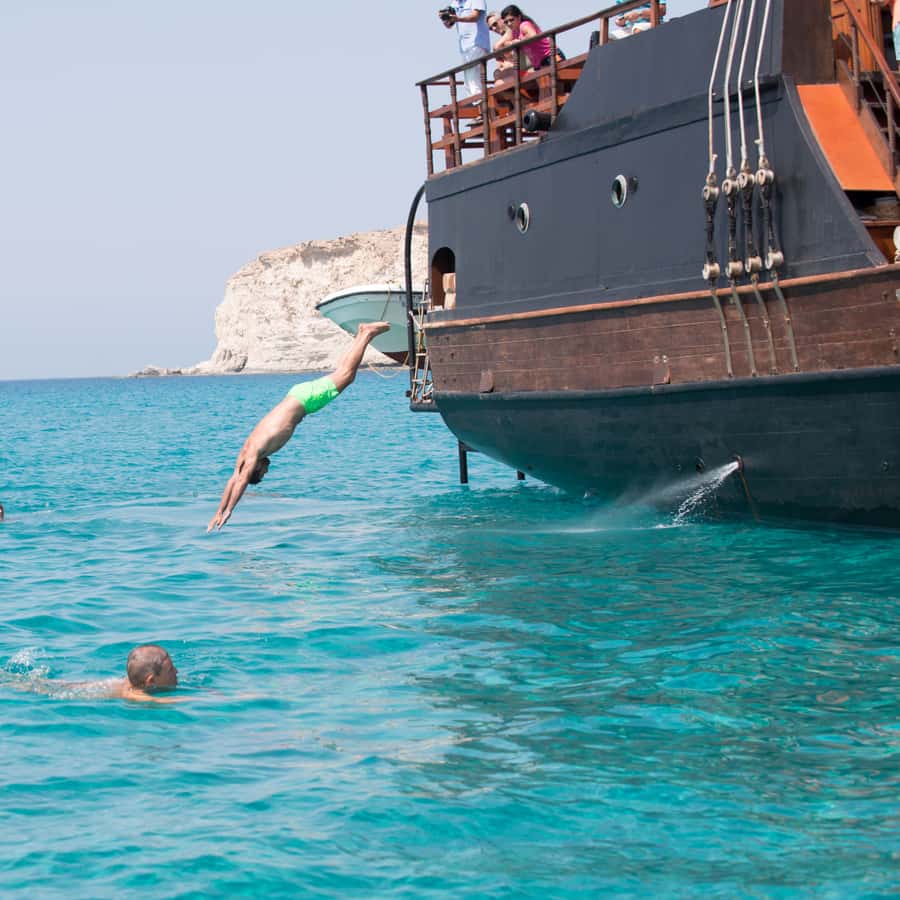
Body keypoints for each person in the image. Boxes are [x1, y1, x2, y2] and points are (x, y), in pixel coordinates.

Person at [207, 321, 390, 531]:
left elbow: (240, 482)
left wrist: (229, 511)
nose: (267, 469)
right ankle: (362, 334)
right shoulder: (244, 455)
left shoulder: (251, 457)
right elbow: (233, 480)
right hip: (298, 396)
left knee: (346, 376)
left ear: (254, 469)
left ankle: (366, 334)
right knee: (341, 374)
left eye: (263, 473)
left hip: (305, 401)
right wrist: (218, 511)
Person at [4, 645, 179, 704]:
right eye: (171, 670)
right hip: (67, 691)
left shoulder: (136, 682)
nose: (177, 672)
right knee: (26, 685)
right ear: (150, 681)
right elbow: (165, 701)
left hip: (78, 685)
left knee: (30, 682)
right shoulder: (135, 694)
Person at [439, 0, 492, 98]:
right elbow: (449, 25)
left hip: (477, 43)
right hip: (465, 47)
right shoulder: (455, 3)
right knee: (468, 83)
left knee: (473, 80)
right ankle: (479, 108)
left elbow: (475, 16)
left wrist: (457, 18)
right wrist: (444, 18)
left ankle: (481, 109)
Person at [499, 6, 558, 71]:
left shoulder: (524, 25)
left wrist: (519, 41)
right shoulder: (514, 32)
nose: (509, 23)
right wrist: (511, 43)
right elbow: (504, 44)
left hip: (550, 57)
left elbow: (533, 35)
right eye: (506, 22)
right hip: (538, 64)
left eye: (511, 20)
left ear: (519, 17)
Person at [487, 11, 517, 84]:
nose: (494, 29)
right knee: (497, 73)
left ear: (502, 20)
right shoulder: (503, 39)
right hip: (511, 71)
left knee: (498, 83)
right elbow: (499, 65)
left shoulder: (512, 30)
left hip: (522, 68)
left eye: (495, 24)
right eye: (491, 28)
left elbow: (496, 47)